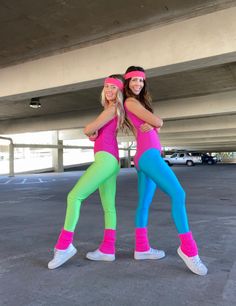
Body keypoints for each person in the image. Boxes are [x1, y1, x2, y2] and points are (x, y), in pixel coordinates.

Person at [123, 66, 208, 276]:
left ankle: (141, 248)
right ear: (127, 83)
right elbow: (159, 122)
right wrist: (156, 123)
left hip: (145, 155)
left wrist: (154, 124)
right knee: (178, 194)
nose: (138, 84)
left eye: (141, 81)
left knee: (143, 204)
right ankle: (188, 250)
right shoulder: (130, 102)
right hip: (149, 156)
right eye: (133, 80)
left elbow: (155, 125)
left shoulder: (139, 103)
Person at [48, 75, 124, 269]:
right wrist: (93, 132)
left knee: (74, 197)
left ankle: (64, 245)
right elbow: (94, 131)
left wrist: (90, 130)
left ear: (119, 92)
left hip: (106, 159)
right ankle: (108, 249)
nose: (109, 90)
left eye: (113, 88)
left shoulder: (112, 108)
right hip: (111, 159)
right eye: (106, 86)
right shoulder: (112, 110)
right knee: (109, 207)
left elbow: (89, 128)